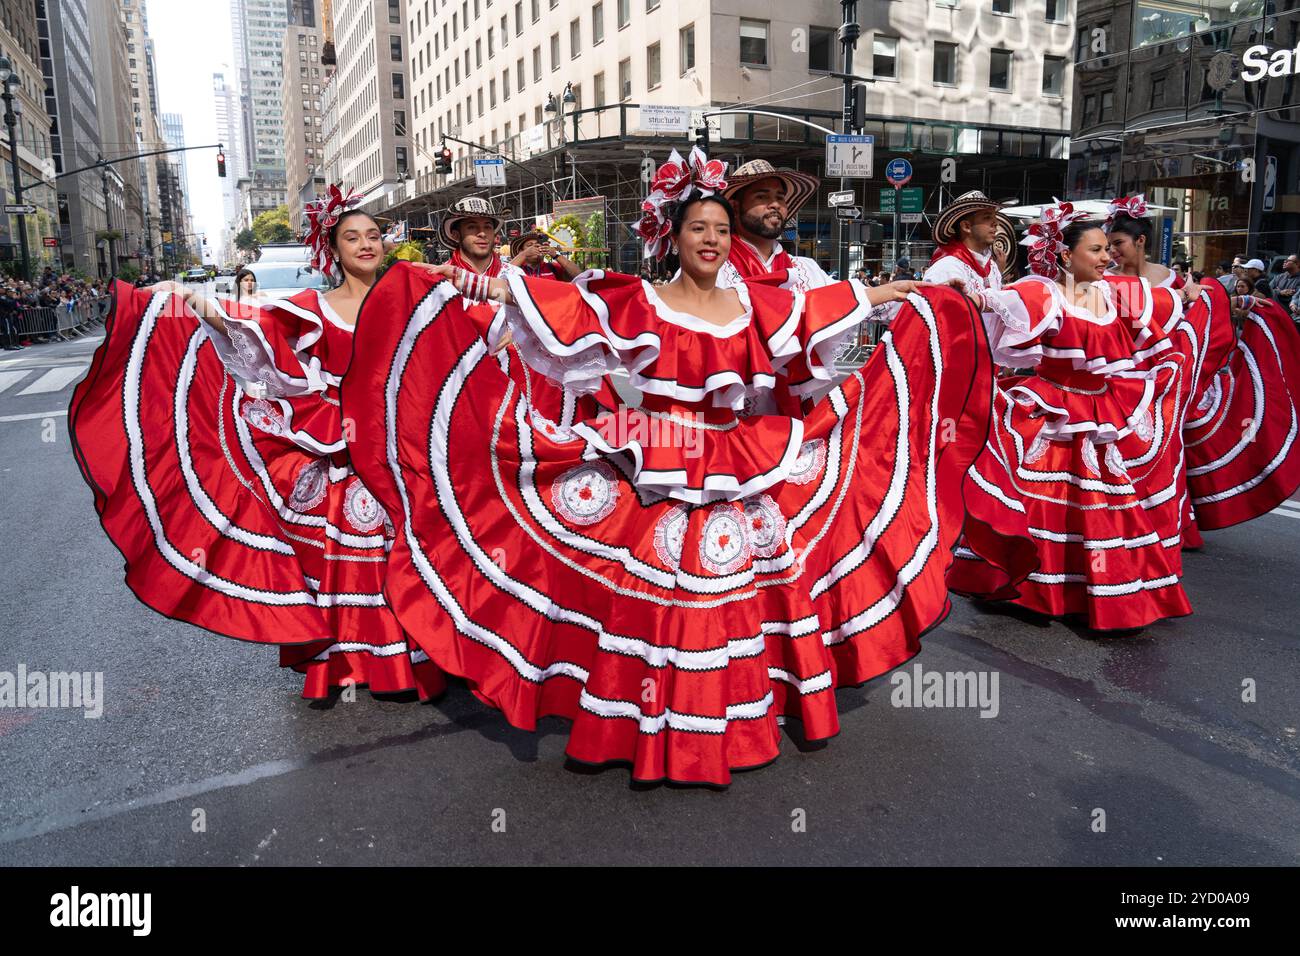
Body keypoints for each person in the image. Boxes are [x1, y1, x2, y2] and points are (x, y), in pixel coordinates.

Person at [339, 149, 997, 784]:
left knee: (738, 592)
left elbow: (828, 325)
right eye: (697, 228)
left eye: (718, 228)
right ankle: (649, 727)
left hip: (741, 458)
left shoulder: (762, 303)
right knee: (657, 597)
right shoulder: (640, 301)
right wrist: (463, 280)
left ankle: (726, 724)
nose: (710, 239)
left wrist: (895, 304)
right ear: (674, 237)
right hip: (657, 458)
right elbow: (552, 308)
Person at [68, 183, 446, 701]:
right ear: (331, 249)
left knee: (409, 543)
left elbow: (462, 339)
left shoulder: (414, 295)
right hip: (336, 440)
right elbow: (250, 327)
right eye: (352, 237)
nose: (365, 244)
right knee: (347, 539)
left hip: (401, 436)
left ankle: (408, 658)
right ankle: (350, 666)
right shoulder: (312, 305)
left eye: (374, 235)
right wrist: (191, 300)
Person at [950, 203, 1204, 631]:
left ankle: (1101, 590)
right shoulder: (1043, 293)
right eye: (1096, 250)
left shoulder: (1117, 294)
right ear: (1066, 255)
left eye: (1108, 249)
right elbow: (988, 300)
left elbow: (1167, 299)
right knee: (1041, 501)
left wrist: (1198, 295)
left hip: (1100, 411)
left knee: (1102, 501)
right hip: (1053, 412)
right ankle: (1032, 587)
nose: (1107, 258)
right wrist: (960, 294)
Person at [713, 157, 829, 292]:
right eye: (762, 196)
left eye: (780, 197)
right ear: (735, 207)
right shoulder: (715, 269)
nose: (775, 204)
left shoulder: (808, 271)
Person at [923, 190, 1014, 296]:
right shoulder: (946, 269)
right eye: (987, 217)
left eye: (995, 217)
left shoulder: (992, 266)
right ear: (966, 226)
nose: (996, 223)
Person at [509, 230, 581, 281]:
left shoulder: (553, 267)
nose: (536, 246)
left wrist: (555, 255)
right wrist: (524, 254)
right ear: (521, 251)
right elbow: (503, 274)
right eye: (530, 245)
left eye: (538, 244)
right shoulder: (517, 269)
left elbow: (578, 275)